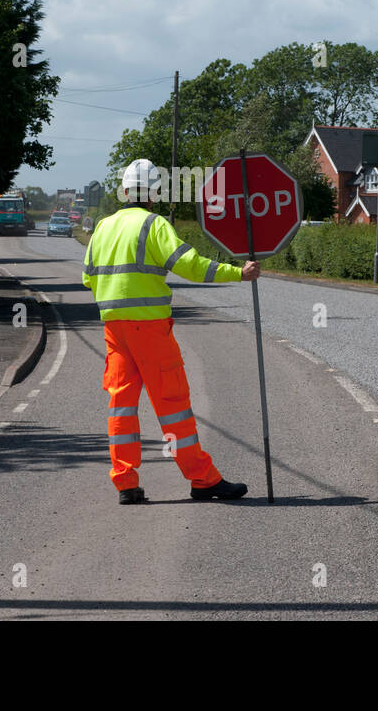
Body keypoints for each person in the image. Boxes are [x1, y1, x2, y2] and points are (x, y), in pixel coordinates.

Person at [81, 159, 260, 505]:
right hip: (149, 328)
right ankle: (203, 480)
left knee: (121, 406)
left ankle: (126, 483)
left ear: (125, 190)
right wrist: (237, 273)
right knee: (173, 405)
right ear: (154, 193)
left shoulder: (103, 227)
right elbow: (189, 266)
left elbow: (88, 277)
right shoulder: (154, 225)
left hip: (114, 329)